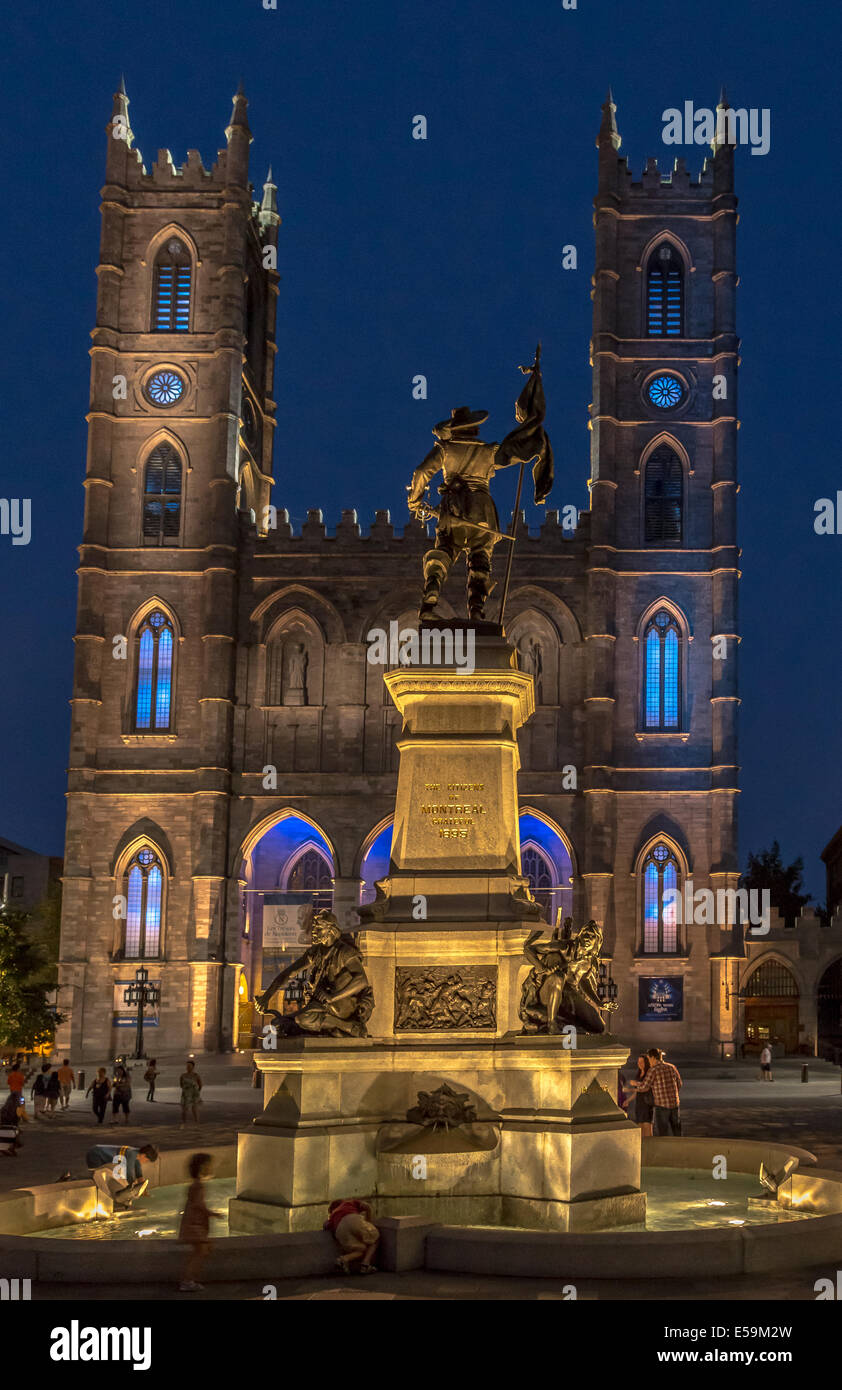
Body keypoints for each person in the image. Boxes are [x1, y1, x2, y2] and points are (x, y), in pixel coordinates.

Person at [178, 1152, 223, 1293]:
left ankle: (189, 1280)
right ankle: (187, 1281)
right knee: (200, 1252)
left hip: (193, 1224)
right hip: (194, 1225)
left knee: (202, 1250)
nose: (211, 1168)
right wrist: (212, 1213)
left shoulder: (195, 1185)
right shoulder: (198, 1186)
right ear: (202, 1168)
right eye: (209, 1165)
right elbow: (198, 1204)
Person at [86, 1142, 158, 1217]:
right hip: (95, 1154)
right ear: (144, 1155)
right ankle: (100, 1204)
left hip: (99, 1154)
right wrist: (131, 1189)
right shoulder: (131, 1154)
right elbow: (129, 1173)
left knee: (111, 1176)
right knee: (98, 1177)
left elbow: (139, 1173)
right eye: (147, 1160)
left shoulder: (137, 1155)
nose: (146, 1162)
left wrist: (143, 1188)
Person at [630, 1046, 682, 1137]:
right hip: (675, 1105)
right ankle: (680, 1148)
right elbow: (679, 1083)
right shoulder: (672, 1067)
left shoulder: (653, 1070)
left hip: (662, 1106)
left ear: (653, 1057)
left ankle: (664, 1149)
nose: (649, 1061)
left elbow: (644, 1087)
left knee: (663, 1132)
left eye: (649, 1058)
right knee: (677, 1131)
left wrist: (634, 1086)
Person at [323, 1198, 379, 1275]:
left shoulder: (333, 1217)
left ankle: (343, 1259)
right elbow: (366, 1206)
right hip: (352, 1219)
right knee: (375, 1238)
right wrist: (369, 1221)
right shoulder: (348, 1203)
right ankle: (365, 1264)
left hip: (339, 1230)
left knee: (360, 1249)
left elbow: (326, 1226)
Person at [631, 1053, 655, 1138]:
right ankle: (643, 1149)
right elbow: (637, 1091)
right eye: (638, 1062)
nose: (639, 1064)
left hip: (647, 1103)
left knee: (647, 1127)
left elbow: (646, 1088)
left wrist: (635, 1084)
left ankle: (650, 1148)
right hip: (639, 1103)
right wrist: (628, 1100)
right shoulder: (638, 1074)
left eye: (642, 1062)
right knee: (639, 1127)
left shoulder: (649, 1073)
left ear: (646, 1063)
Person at [0, 1091, 29, 1156]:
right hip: (12, 1132)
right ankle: (11, 1148)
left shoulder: (3, 1109)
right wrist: (23, 1106)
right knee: (20, 1131)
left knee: (17, 1129)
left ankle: (5, 1148)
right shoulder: (19, 1109)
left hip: (1, 1131)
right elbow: (26, 1119)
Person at [179, 1061, 202, 1127]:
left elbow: (200, 1085)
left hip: (194, 1094)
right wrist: (186, 1090)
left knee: (194, 1109)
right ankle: (183, 1123)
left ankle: (196, 1123)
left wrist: (196, 1092)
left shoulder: (196, 1075)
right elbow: (181, 1085)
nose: (188, 1067)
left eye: (189, 1066)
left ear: (193, 1067)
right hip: (186, 1094)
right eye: (187, 1066)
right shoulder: (183, 1075)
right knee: (184, 1109)